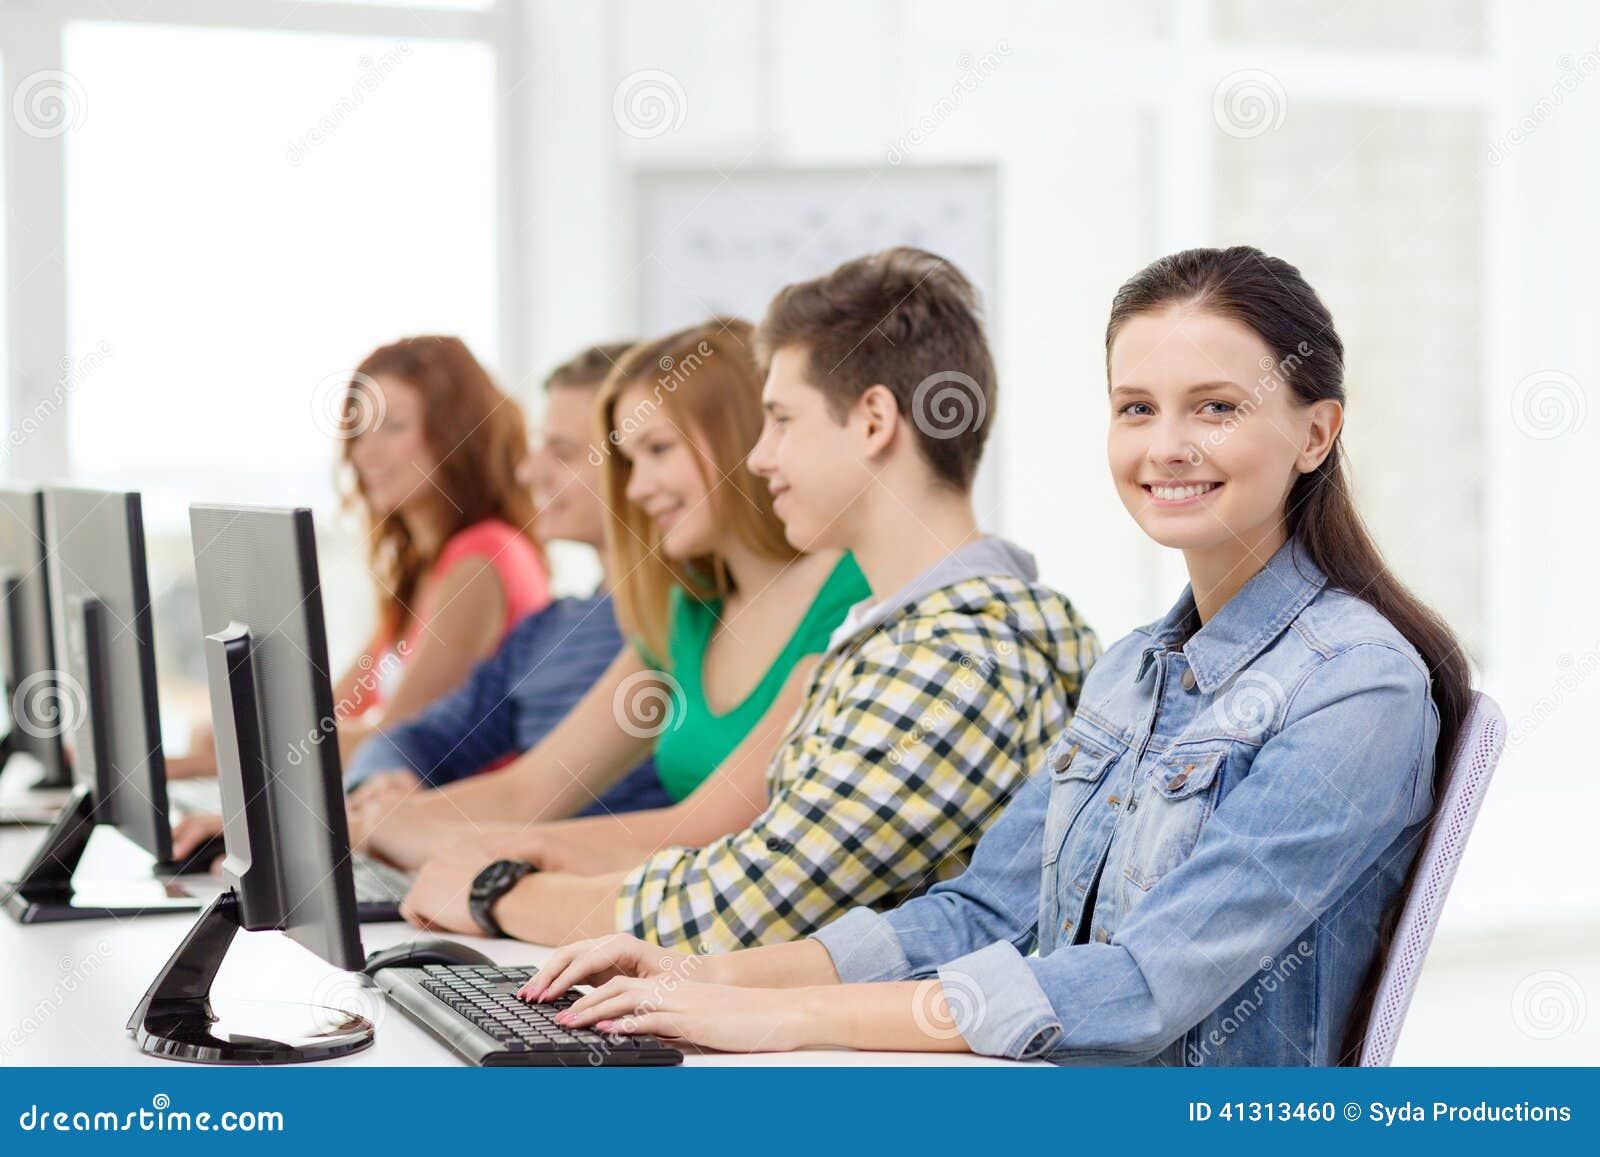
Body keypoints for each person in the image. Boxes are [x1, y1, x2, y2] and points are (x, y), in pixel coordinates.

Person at [517, 246, 1472, 1068]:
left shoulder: (1357, 685)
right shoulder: (1132, 671)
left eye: (1215, 407)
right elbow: (978, 912)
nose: (1166, 445)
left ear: (1318, 432)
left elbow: (1139, 986)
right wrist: (700, 975)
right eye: (1136, 408)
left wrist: (774, 1011)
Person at [394, 247, 1099, 951]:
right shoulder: (887, 638)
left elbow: (739, 904)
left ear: (875, 422)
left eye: (783, 420)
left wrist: (500, 892)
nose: (759, 459)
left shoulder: (955, 657)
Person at [347, 317, 872, 871]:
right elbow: (529, 792)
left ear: (741, 435)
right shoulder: (688, 611)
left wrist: (457, 850)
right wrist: (373, 821)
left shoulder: (849, 597)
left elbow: (700, 831)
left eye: (660, 450)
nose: (639, 488)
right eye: (628, 462)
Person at [171, 341, 667, 859]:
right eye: (358, 430)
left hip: (511, 879)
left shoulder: (656, 624)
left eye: (562, 452)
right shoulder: (548, 629)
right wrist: (373, 799)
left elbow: (526, 796)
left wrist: (262, 787)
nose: (366, 452)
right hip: (472, 866)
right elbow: (397, 737)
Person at [166, 335, 550, 778]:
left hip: (445, 828)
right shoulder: (424, 569)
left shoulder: (481, 561)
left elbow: (394, 743)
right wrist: (212, 747)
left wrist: (234, 746)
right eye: (359, 429)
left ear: (456, 434)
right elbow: (327, 718)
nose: (366, 451)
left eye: (394, 427)